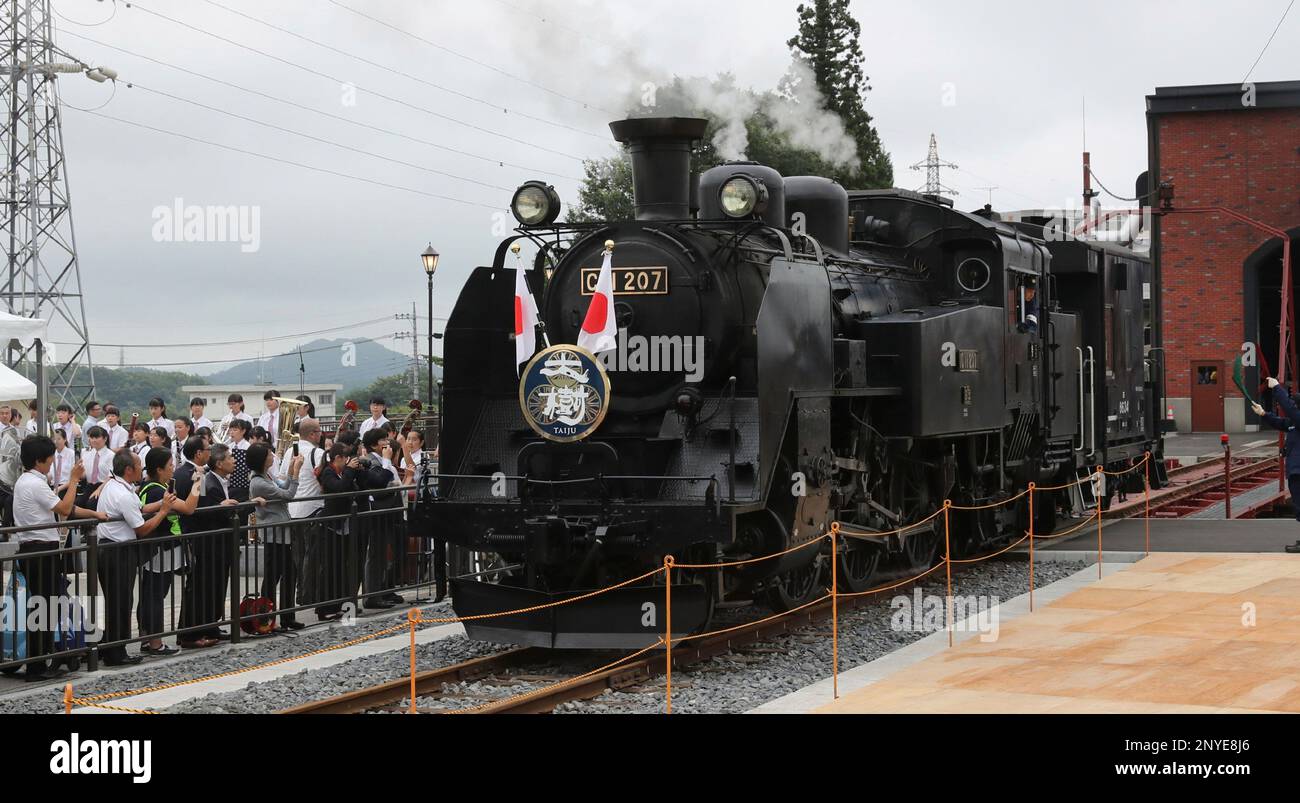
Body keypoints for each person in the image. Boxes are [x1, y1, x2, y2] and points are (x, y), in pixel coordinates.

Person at [12, 435, 105, 680]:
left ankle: (43, 660)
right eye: (50, 458)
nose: (53, 462)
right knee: (44, 608)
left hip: (35, 549)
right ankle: (37, 666)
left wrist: (95, 513)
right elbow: (65, 509)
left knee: (47, 606)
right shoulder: (35, 484)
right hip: (40, 550)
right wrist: (74, 480)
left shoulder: (27, 481)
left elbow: (67, 508)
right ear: (39, 460)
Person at [94, 450, 175, 666]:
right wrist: (163, 512)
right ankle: (115, 653)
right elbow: (142, 528)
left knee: (119, 601)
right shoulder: (122, 494)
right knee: (120, 602)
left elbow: (140, 508)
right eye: (139, 465)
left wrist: (162, 504)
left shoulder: (117, 486)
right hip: (117, 552)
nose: (143, 469)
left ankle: (112, 646)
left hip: (111, 550)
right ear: (129, 469)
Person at [136, 447, 199, 657]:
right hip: (161, 549)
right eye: (170, 466)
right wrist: (197, 483)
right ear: (159, 469)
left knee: (150, 594)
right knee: (155, 595)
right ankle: (156, 643)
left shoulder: (148, 486)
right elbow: (189, 508)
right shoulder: (156, 490)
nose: (173, 469)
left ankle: (146, 638)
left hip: (156, 548)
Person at [249, 442, 303, 629]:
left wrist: (290, 469)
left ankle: (287, 617)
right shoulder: (258, 482)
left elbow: (283, 487)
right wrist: (296, 472)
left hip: (282, 532)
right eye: (270, 454)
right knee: (273, 577)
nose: (273, 456)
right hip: (274, 534)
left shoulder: (267, 475)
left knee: (289, 573)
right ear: (262, 460)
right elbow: (288, 495)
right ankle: (266, 618)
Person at [173, 436, 218, 649]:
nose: (210, 453)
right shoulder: (194, 474)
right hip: (196, 534)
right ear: (198, 453)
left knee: (194, 587)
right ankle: (191, 633)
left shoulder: (180, 472)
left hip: (189, 533)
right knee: (196, 587)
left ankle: (191, 630)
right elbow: (201, 504)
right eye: (207, 449)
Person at [1254, 377, 1300, 553]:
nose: (1293, 407)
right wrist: (1264, 414)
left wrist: (1277, 389)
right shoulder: (1295, 423)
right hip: (1296, 471)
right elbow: (1281, 423)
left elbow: (1290, 410)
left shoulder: (1298, 419)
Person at [316, 444, 360, 620]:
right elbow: (339, 488)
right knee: (329, 568)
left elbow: (353, 488)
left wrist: (355, 472)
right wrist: (349, 472)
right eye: (346, 458)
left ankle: (337, 605)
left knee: (340, 567)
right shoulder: (327, 472)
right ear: (338, 458)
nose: (348, 462)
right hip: (330, 526)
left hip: (341, 525)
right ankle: (324, 608)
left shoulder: (342, 472)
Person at [79, 425, 114, 510]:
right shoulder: (86, 453)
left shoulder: (111, 455)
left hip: (104, 486)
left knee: (91, 504)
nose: (93, 440)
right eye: (91, 437)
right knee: (77, 504)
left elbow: (111, 477)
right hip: (89, 486)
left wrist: (99, 489)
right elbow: (84, 474)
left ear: (105, 439)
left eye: (97, 437)